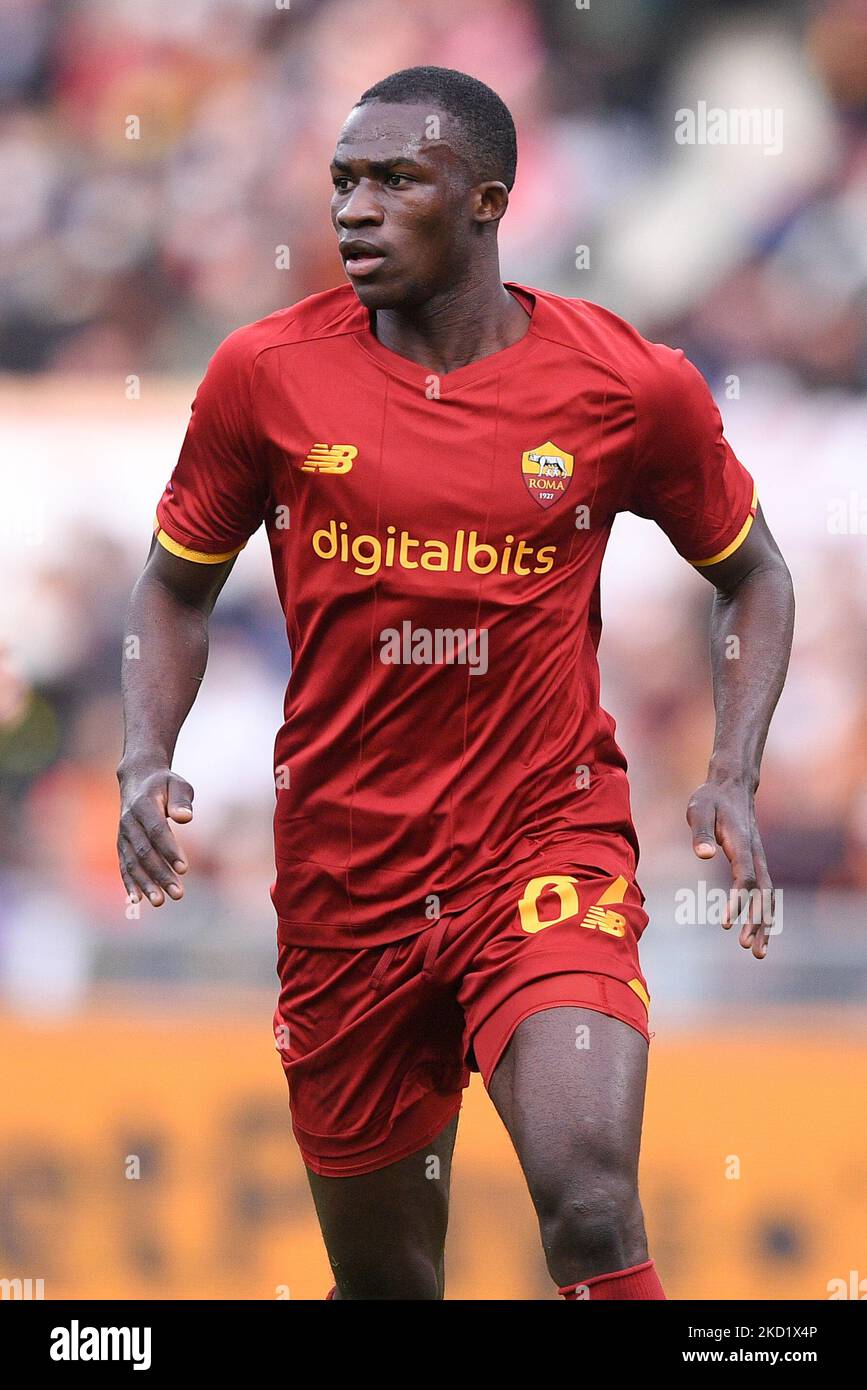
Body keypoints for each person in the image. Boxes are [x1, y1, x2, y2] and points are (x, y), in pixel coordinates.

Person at [117, 66, 795, 1300]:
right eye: (342, 183)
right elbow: (172, 587)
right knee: (388, 1286)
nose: (354, 211)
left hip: (543, 848)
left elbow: (753, 573)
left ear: (486, 201)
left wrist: (733, 774)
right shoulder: (263, 378)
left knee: (591, 1199)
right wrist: (142, 754)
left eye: (393, 181)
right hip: (345, 882)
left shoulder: (624, 385)